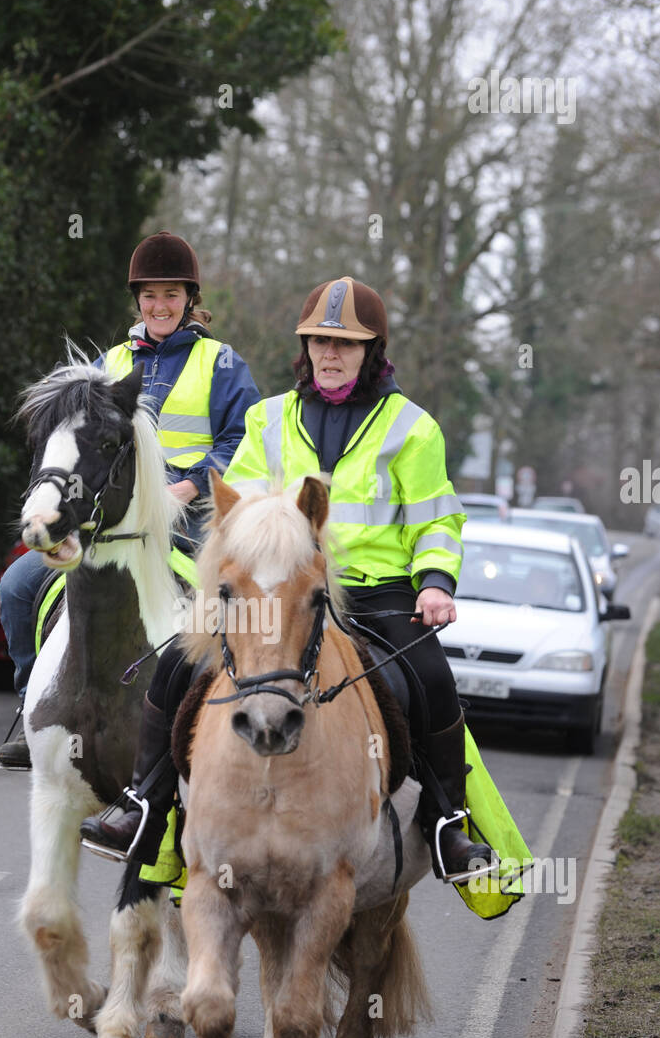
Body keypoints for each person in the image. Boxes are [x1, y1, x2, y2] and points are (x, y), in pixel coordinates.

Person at [81, 275, 500, 883]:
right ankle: (142, 803)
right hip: (277, 587)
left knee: (431, 678)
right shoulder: (267, 418)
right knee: (178, 660)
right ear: (305, 350)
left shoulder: (414, 428)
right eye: (319, 343)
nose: (330, 355)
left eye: (346, 345)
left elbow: (437, 517)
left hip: (374, 590)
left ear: (371, 351)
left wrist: (435, 581)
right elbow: (239, 502)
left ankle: (446, 823)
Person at [0, 231, 260, 768]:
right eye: (150, 295)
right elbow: (71, 439)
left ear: (190, 299)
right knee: (17, 588)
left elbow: (244, 440)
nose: (160, 306)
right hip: (109, 521)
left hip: (188, 521)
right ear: (136, 299)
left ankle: (231, 723)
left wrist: (186, 487)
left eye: (171, 294)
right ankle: (30, 704)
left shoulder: (222, 363)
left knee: (234, 613)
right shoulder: (108, 361)